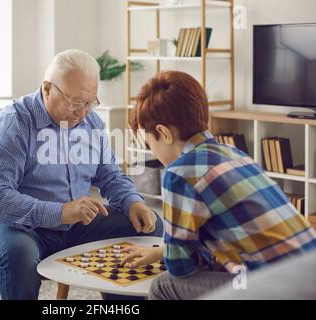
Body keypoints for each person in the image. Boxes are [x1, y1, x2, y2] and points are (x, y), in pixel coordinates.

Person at [0, 49, 163, 300]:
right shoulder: (14, 123)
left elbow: (109, 175)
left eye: (90, 102)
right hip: (16, 226)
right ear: (47, 89)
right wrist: (60, 213)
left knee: (148, 226)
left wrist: (133, 201)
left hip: (74, 226)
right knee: (19, 252)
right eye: (75, 102)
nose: (83, 112)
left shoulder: (92, 123)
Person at [122, 70, 316, 300]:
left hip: (274, 288)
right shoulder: (233, 153)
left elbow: (180, 268)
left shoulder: (179, 172)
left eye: (149, 142)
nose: (151, 150)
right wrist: (163, 251)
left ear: (163, 133)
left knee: (163, 286)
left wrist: (173, 253)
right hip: (307, 273)